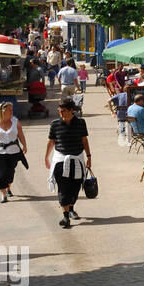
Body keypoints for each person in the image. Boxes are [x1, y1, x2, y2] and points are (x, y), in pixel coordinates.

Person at [45, 98, 91, 229]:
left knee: (75, 187)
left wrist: (89, 156)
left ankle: (71, 208)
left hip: (77, 159)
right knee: (63, 188)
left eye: (63, 110)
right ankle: (65, 216)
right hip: (61, 160)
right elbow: (51, 142)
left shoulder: (81, 123)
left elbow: (84, 140)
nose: (60, 112)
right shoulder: (54, 124)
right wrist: (46, 157)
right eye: (59, 110)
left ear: (71, 110)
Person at [0, 101, 27, 202]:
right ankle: (3, 194)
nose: (12, 112)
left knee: (10, 173)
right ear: (2, 111)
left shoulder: (15, 122)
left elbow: (20, 134)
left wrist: (24, 145)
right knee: (1, 174)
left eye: (12, 110)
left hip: (13, 152)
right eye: (9, 110)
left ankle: (8, 188)